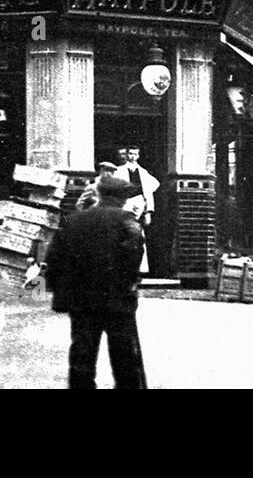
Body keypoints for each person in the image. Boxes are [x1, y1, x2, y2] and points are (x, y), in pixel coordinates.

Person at [43, 176, 146, 389]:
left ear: (99, 194)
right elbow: (134, 253)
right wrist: (129, 281)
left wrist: (57, 289)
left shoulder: (74, 220)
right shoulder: (127, 221)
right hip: (117, 298)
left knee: (82, 351)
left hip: (82, 298)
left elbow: (54, 257)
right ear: (122, 198)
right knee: (124, 353)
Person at [114, 146, 158, 274]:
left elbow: (153, 187)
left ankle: (139, 267)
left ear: (138, 156)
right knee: (123, 232)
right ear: (126, 155)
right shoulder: (118, 171)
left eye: (135, 154)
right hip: (124, 204)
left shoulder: (143, 172)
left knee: (138, 233)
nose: (132, 156)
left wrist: (148, 211)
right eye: (130, 154)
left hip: (139, 204)